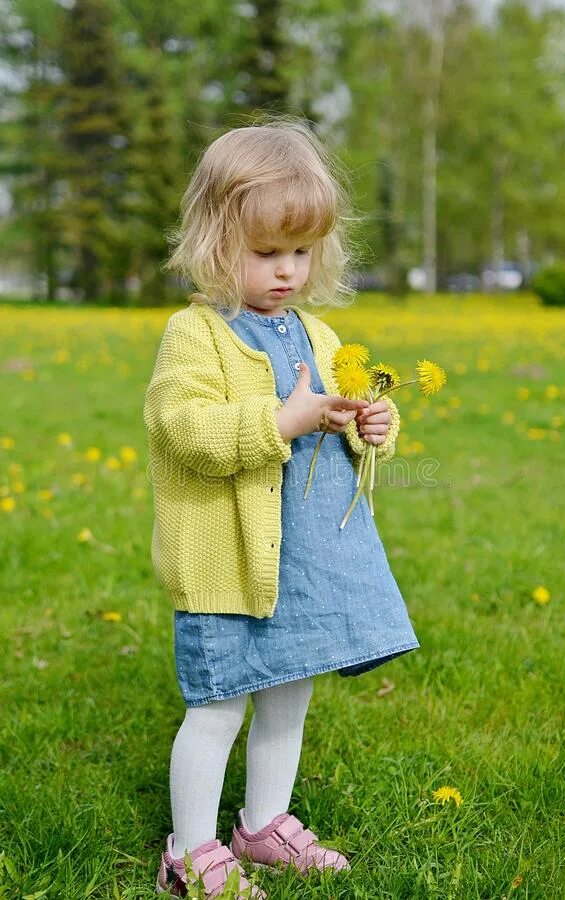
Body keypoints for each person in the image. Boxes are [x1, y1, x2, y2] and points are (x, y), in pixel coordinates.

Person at [143, 117, 420, 898]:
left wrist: (368, 425)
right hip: (230, 568)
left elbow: (340, 426)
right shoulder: (195, 336)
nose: (286, 271)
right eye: (267, 252)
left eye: (301, 252)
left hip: (298, 571)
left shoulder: (318, 331)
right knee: (218, 709)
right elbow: (183, 428)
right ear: (214, 241)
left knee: (286, 703)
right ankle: (190, 851)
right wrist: (280, 420)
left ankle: (261, 827)